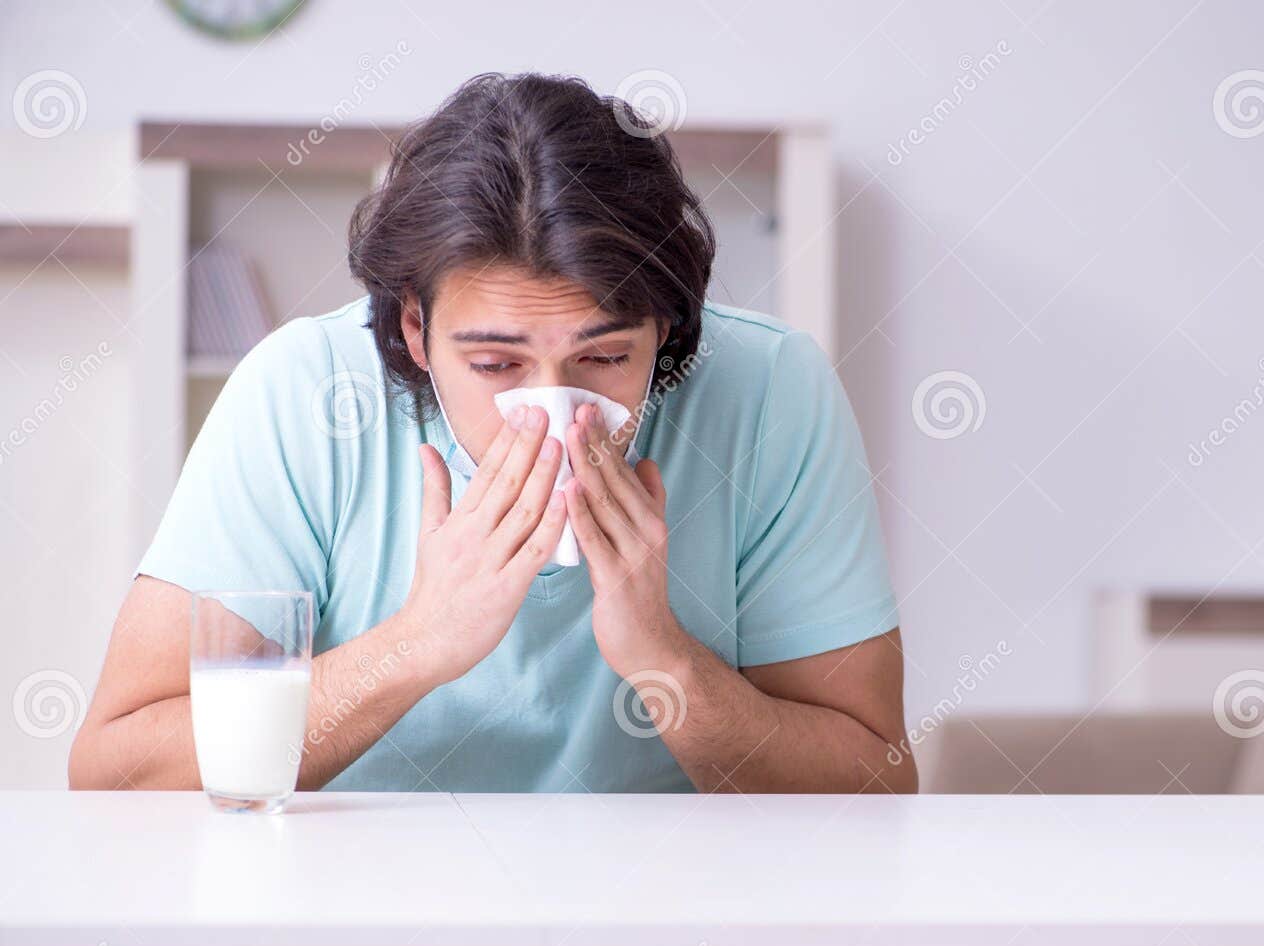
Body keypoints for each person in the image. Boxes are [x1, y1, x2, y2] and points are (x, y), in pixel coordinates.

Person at [67, 72, 912, 794]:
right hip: (349, 905)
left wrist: (664, 658)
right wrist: (415, 645)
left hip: (675, 907)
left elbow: (874, 782)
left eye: (605, 356)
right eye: (496, 364)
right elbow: (118, 772)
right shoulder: (306, 393)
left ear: (665, 329)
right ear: (414, 329)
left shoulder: (769, 389)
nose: (555, 412)